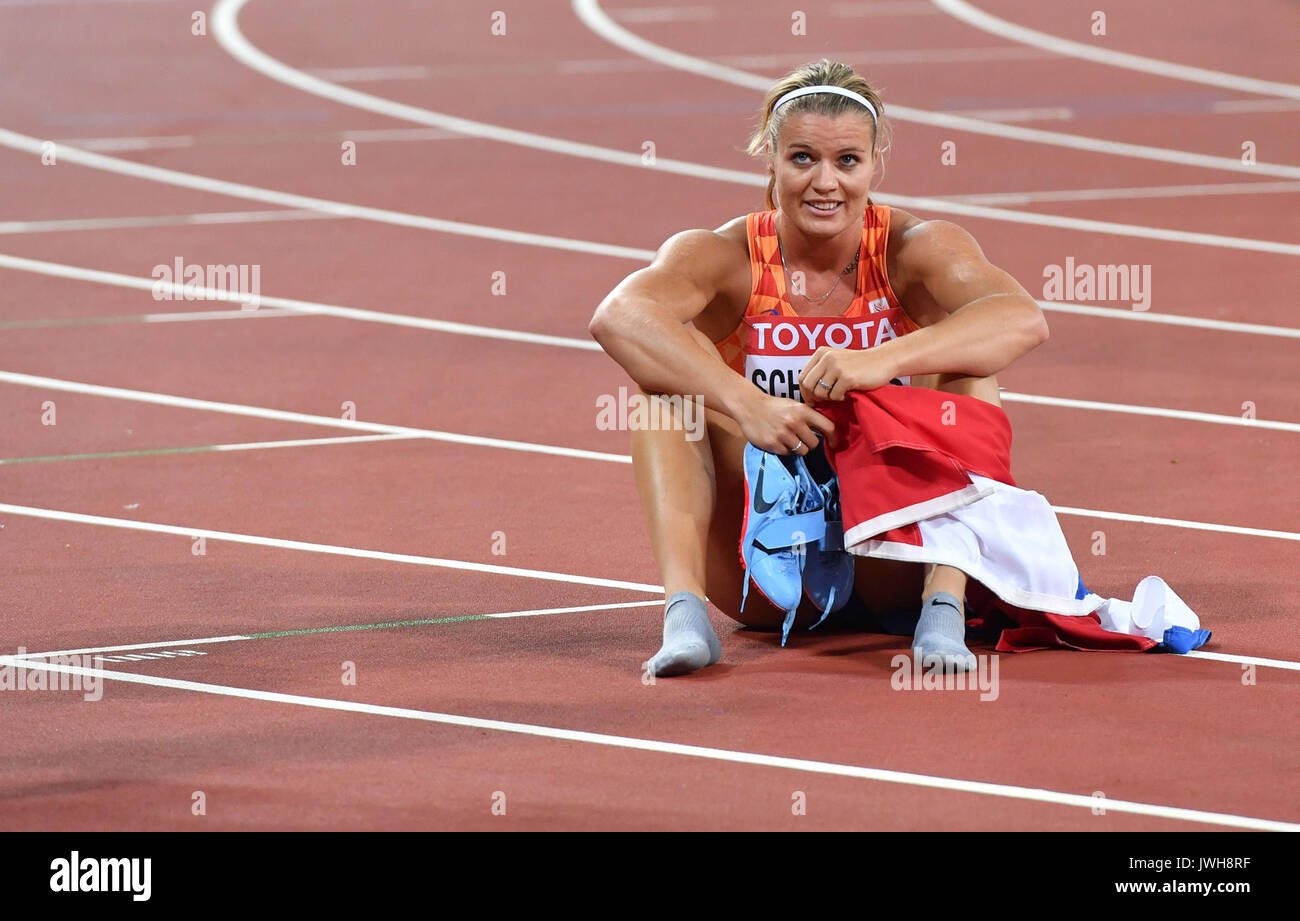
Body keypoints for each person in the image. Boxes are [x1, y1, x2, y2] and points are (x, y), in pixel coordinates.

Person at [589, 60, 1049, 677]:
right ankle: (684, 613)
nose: (825, 183)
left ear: (874, 164)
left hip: (893, 552)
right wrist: (747, 403)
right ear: (771, 160)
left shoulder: (915, 248)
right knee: (664, 397)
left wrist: (879, 361)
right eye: (803, 159)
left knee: (971, 374)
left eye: (847, 161)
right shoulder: (725, 254)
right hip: (768, 567)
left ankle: (943, 606)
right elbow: (618, 316)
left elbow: (1021, 318)